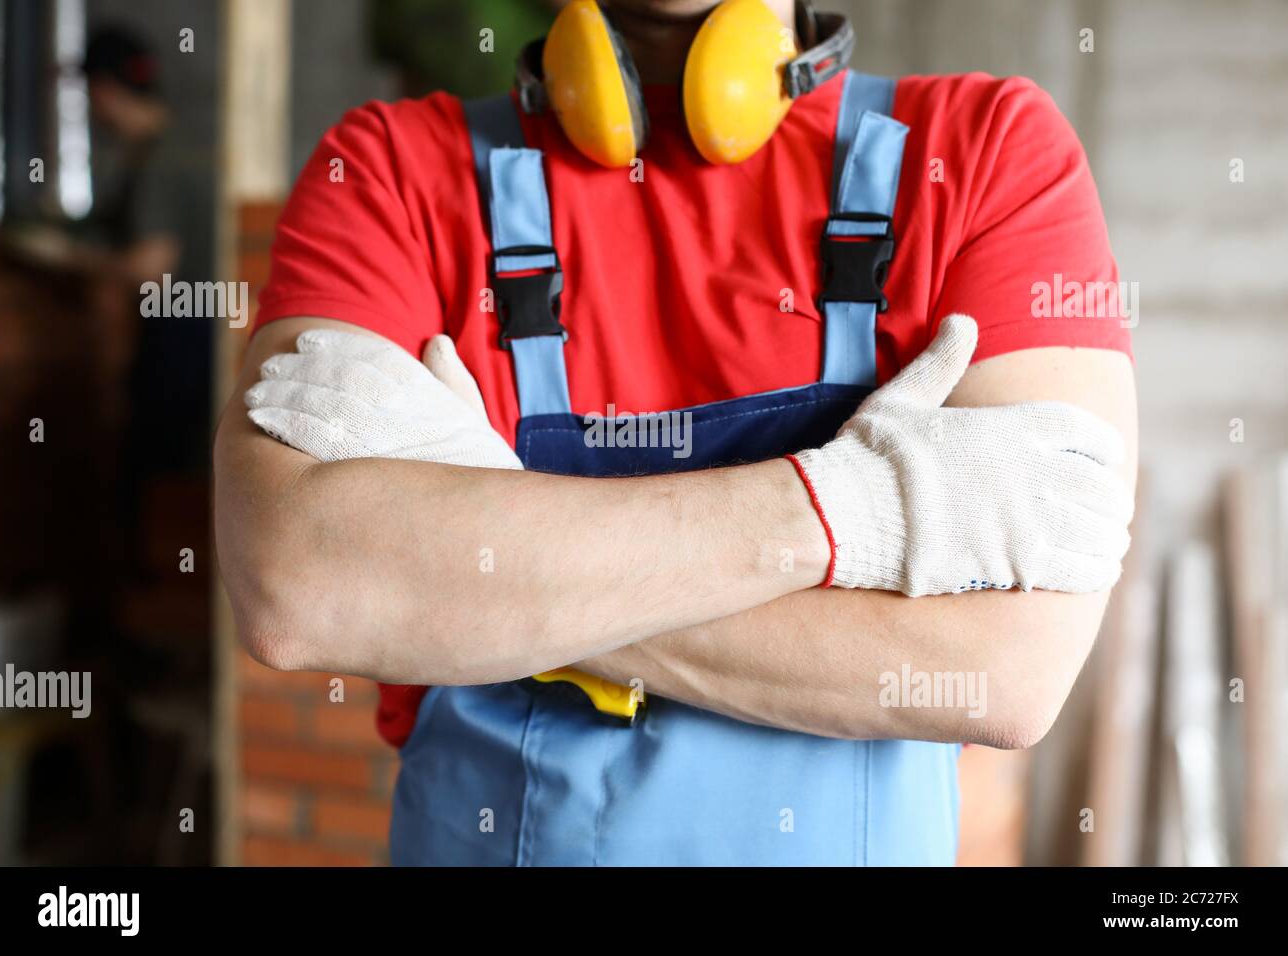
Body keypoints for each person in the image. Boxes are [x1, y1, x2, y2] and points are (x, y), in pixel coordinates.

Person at [215, 0, 1137, 865]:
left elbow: (1007, 670)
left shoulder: (987, 155)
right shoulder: (390, 170)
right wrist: (845, 511)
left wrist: (484, 561)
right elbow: (298, 584)